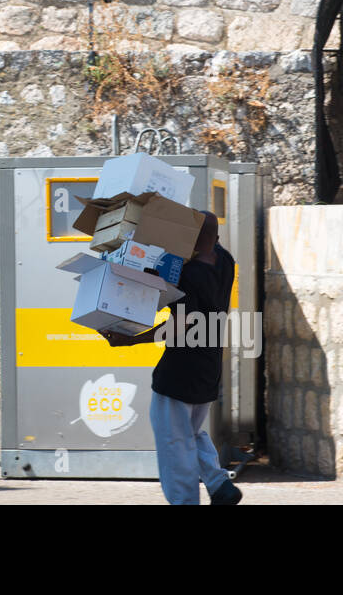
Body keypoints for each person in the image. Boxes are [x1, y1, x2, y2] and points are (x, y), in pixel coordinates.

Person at [100, 211, 242, 505]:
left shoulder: (189, 274)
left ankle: (185, 501)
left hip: (180, 371)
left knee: (173, 443)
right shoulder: (226, 261)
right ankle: (219, 484)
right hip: (208, 366)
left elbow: (180, 325)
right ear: (216, 239)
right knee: (189, 431)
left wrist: (132, 339)